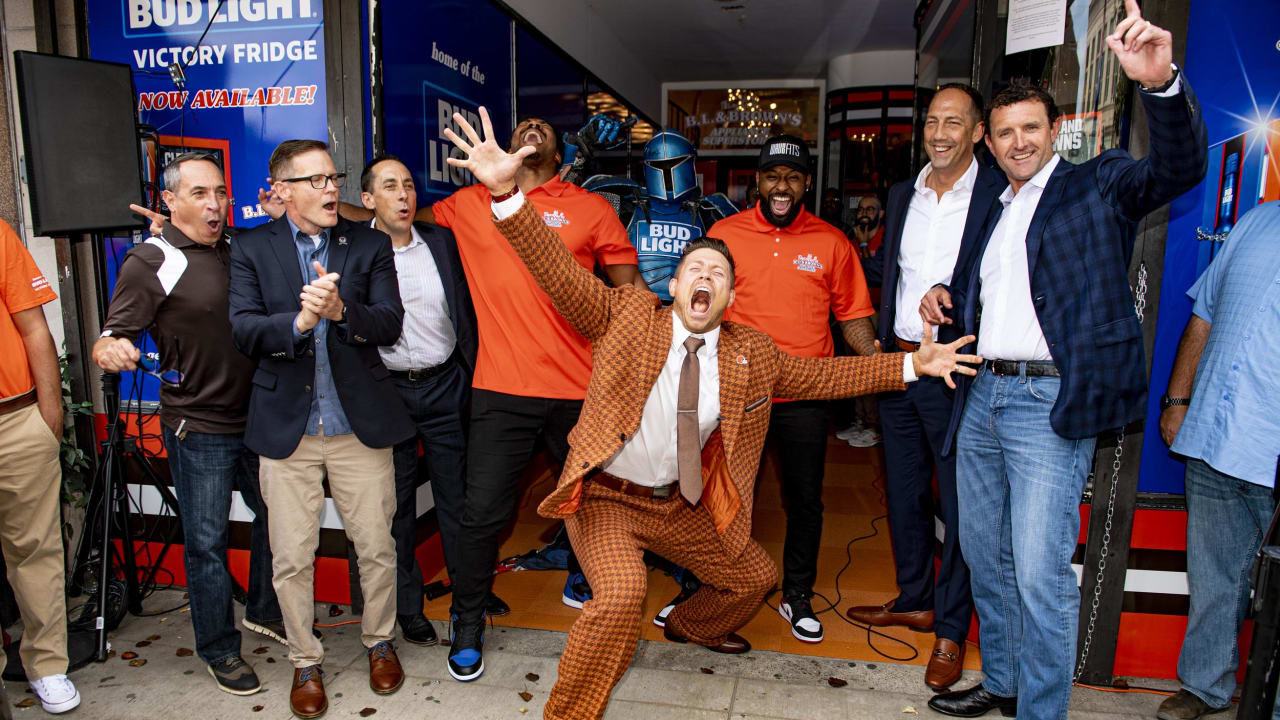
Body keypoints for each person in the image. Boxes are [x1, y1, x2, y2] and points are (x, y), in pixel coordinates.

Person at [441, 105, 982, 720]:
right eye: (695, 269)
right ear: (674, 285)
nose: (706, 279)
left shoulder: (748, 354)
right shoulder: (626, 318)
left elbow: (826, 375)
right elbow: (559, 273)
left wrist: (914, 364)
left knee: (754, 577)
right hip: (609, 502)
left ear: (729, 297)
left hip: (679, 505)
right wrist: (508, 195)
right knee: (621, 595)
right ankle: (568, 713)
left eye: (719, 275)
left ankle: (690, 625)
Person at [923, 4, 1208, 717]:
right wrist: (943, 297)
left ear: (1055, 132)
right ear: (988, 141)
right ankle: (1007, 682)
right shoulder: (994, 207)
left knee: (1040, 577)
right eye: (1007, 131)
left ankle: (1040, 711)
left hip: (1048, 407)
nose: (1019, 142)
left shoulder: (1097, 185)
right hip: (982, 396)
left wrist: (1161, 83)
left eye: (1032, 129)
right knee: (985, 560)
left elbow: (1177, 169)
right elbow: (998, 293)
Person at [420, 116, 646, 683]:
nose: (532, 127)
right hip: (502, 388)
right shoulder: (468, 203)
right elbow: (394, 220)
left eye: (543, 125)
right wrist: (309, 210)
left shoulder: (592, 208)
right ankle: (467, 619)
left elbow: (632, 298)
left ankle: (594, 588)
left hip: (581, 390)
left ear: (561, 149)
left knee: (599, 508)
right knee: (483, 515)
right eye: (522, 122)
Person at [228, 139, 414, 719]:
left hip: (359, 426)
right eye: (316, 180)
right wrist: (302, 321)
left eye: (333, 178)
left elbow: (389, 323)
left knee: (377, 548)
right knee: (290, 555)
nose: (331, 188)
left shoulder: (368, 244)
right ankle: (305, 660)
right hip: (289, 428)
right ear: (281, 190)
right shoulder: (251, 248)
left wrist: (340, 315)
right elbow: (244, 330)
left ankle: (379, 641)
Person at [94, 153, 283, 696]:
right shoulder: (151, 259)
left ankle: (264, 610)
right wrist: (111, 347)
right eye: (198, 193)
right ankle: (219, 650)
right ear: (169, 201)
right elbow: (113, 332)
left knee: (280, 518)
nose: (214, 203)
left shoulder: (239, 246)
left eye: (220, 192)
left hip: (261, 418)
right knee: (207, 544)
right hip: (198, 426)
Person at [844, 84, 1004, 690]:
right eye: (933, 121)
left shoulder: (995, 194)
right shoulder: (901, 192)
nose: (939, 133)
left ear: (978, 133)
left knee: (960, 506)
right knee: (904, 491)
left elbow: (1001, 273)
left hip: (958, 369)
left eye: (954, 122)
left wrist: (955, 301)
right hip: (902, 365)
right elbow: (893, 272)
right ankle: (914, 596)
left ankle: (950, 630)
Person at [707, 134, 877, 644]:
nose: (782, 186)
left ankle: (796, 594)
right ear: (757, 181)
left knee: (805, 501)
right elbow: (699, 304)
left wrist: (878, 365)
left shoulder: (831, 242)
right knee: (727, 497)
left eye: (793, 177)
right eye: (772, 175)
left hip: (805, 395)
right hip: (737, 392)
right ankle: (716, 586)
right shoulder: (723, 234)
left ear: (806, 184)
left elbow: (853, 317)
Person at [1155, 201, 1280, 720]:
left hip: (1273, 452)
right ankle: (1204, 686)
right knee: (1214, 578)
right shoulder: (1259, 220)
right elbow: (1204, 313)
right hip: (1213, 435)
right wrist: (1178, 399)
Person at [357, 154, 478, 646]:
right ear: (368, 200)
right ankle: (408, 607)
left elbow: (466, 309)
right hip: (388, 391)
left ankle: (470, 594)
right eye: (390, 187)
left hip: (445, 381)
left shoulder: (442, 243)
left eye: (408, 185)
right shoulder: (355, 250)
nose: (404, 195)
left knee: (459, 500)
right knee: (396, 506)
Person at [0, 220, 78, 715]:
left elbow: (32, 324)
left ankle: (47, 666)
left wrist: (49, 414)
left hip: (15, 419)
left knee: (36, 552)